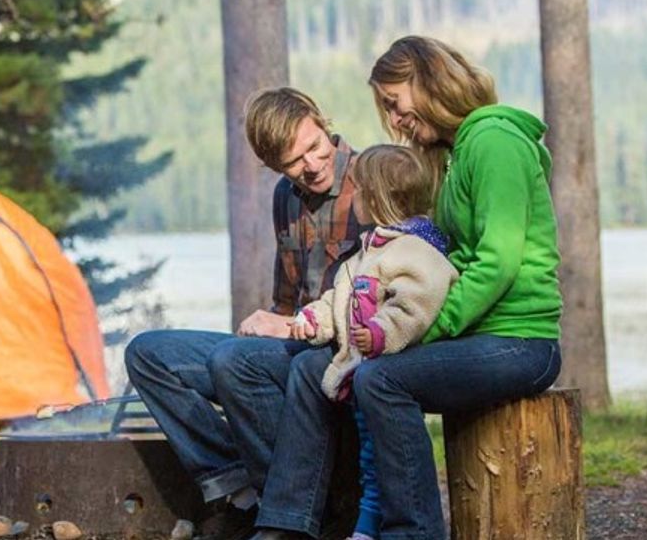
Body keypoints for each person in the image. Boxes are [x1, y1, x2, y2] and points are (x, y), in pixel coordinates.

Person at [249, 36, 562, 540]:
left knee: (382, 380)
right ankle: (336, 519)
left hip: (520, 341)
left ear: (430, 81)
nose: (395, 120)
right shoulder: (457, 152)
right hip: (484, 335)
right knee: (348, 370)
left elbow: (498, 264)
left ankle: (410, 532)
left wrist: (424, 329)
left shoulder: (494, 142)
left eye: (395, 103)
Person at [124, 87, 370, 537]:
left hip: (341, 353)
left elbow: (383, 305)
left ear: (323, 124)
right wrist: (267, 327)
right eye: (293, 162)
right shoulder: (285, 196)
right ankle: (240, 489)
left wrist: (288, 327)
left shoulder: (372, 180)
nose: (312, 165)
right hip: (292, 347)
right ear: (273, 164)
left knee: (234, 360)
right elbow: (286, 298)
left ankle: (293, 517)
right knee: (148, 354)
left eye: (315, 146)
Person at [287, 144, 458, 540]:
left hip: (388, 369)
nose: (354, 198)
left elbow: (418, 301)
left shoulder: (416, 251)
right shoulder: (369, 252)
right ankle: (367, 529)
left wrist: (383, 331)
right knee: (371, 457)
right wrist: (314, 318)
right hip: (360, 374)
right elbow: (341, 297)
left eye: (360, 190)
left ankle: (377, 530)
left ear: (380, 199)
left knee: (384, 457)